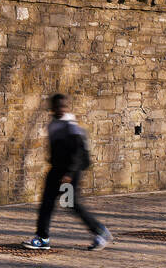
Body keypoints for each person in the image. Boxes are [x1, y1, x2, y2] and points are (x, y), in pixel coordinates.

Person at [24, 92, 113, 251]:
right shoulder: (53, 125)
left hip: (69, 173)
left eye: (63, 106)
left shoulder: (71, 126)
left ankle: (101, 232)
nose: (61, 109)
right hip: (56, 170)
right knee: (46, 204)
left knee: (71, 204)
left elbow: (77, 153)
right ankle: (43, 238)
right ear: (52, 108)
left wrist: (69, 174)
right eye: (57, 106)